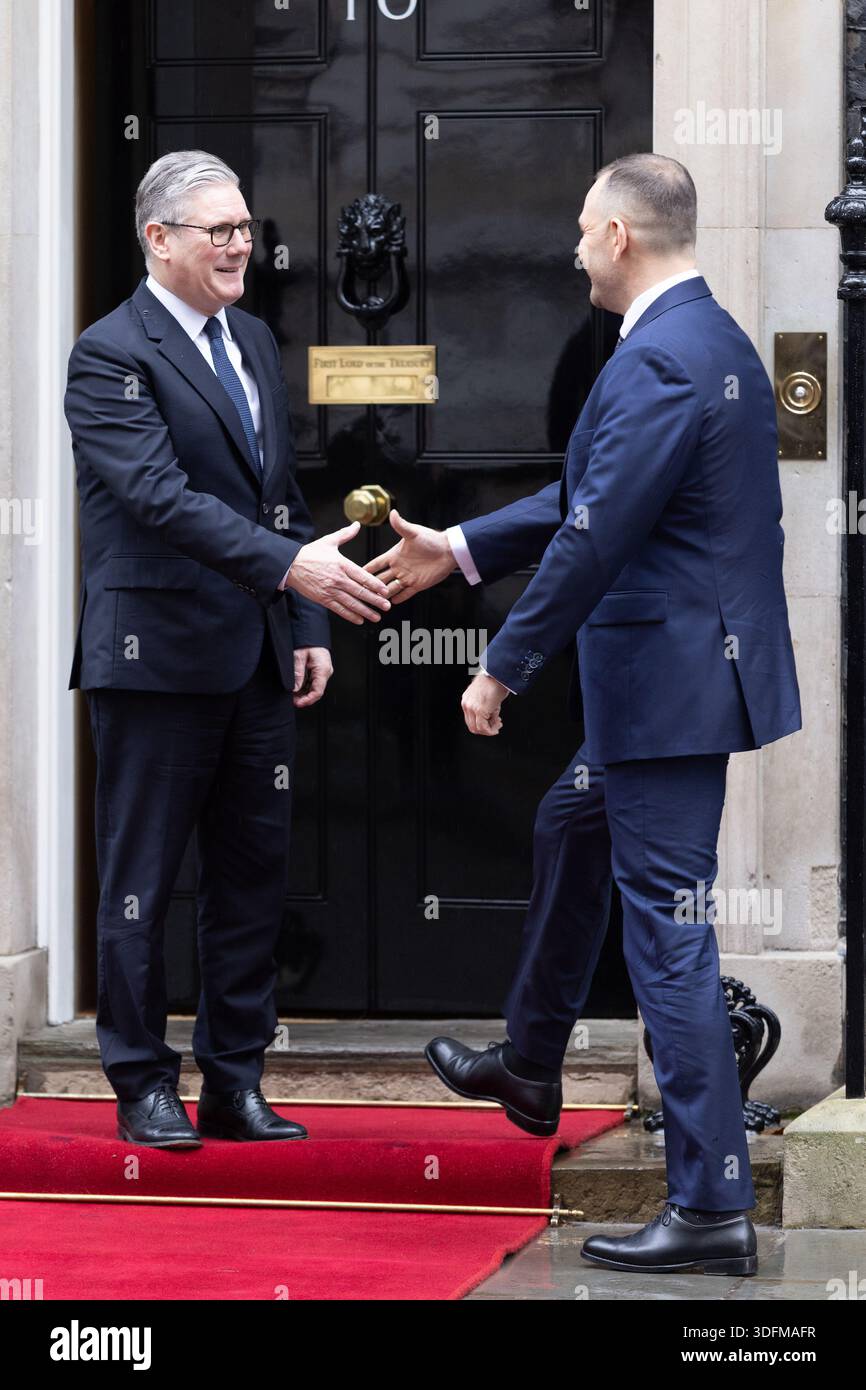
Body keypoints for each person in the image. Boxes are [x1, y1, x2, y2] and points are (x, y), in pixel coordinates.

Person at [365, 152, 801, 1276]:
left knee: (666, 934)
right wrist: (456, 547)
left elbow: (595, 535)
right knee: (569, 827)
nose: (566, 249)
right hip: (669, 687)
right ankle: (533, 1062)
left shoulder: (660, 356)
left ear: (617, 237)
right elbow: (589, 493)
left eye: (577, 229)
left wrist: (499, 666)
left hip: (664, 692)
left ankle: (708, 1202)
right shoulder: (694, 343)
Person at [65, 149, 390, 1148]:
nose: (241, 244)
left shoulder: (249, 340)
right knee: (142, 879)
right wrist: (292, 575)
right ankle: (140, 1081)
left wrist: (301, 626)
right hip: (153, 657)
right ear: (157, 239)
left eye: (245, 227)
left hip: (254, 656)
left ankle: (234, 1079)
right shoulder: (108, 354)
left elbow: (277, 499)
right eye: (219, 230)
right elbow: (159, 499)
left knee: (252, 875)